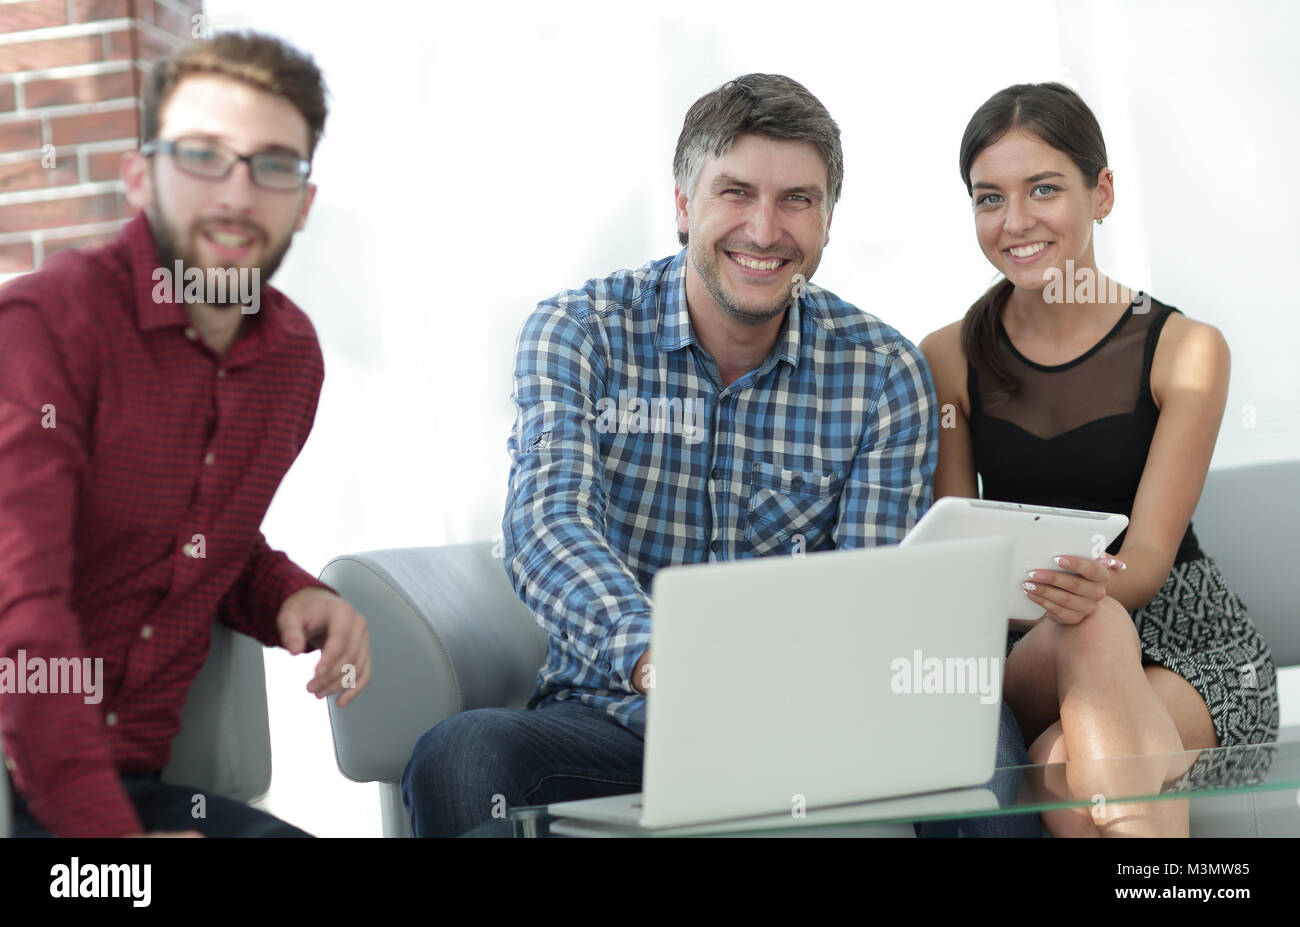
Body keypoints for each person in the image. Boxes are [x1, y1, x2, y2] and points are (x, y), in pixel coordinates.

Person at [402, 73, 1038, 838]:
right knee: (461, 754)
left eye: (797, 199)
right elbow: (547, 526)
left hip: (817, 729)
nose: (765, 231)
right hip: (623, 717)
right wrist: (659, 662)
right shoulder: (581, 331)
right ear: (682, 205)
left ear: (829, 219)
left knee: (981, 745)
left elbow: (872, 591)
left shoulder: (882, 370)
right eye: (735, 192)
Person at [0, 31, 370, 838]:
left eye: (272, 164)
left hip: (134, 782)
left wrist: (289, 594)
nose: (237, 195)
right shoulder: (48, 325)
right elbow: (21, 615)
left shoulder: (290, 361)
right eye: (203, 155)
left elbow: (199, 545)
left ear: (302, 202)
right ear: (141, 176)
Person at [920, 82, 1279, 837]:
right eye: (989, 198)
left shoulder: (1185, 351)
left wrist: (1094, 587)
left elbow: (1146, 556)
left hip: (1188, 642)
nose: (1014, 221)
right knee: (1089, 627)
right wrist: (1065, 598)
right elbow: (955, 565)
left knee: (1062, 768)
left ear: (1102, 191)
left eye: (1043, 189)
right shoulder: (948, 356)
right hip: (1030, 649)